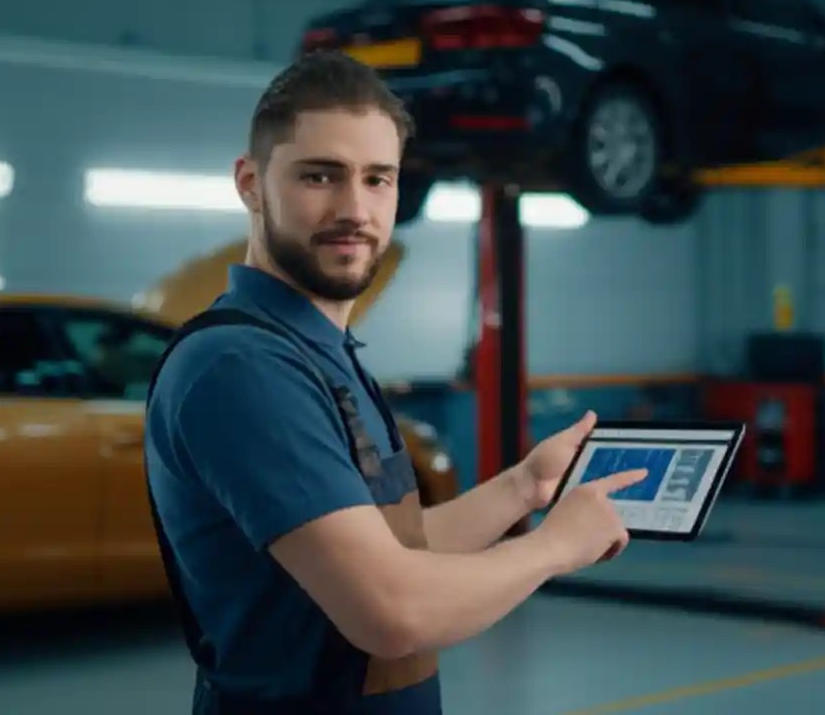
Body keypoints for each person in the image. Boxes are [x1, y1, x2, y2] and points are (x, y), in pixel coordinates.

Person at [143, 50, 647, 715]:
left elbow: (390, 551)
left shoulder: (319, 352)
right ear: (251, 184)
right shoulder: (241, 366)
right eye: (320, 176)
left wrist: (523, 487)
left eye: (377, 179)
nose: (355, 208)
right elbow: (393, 610)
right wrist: (555, 547)